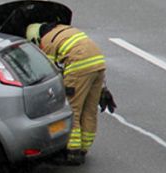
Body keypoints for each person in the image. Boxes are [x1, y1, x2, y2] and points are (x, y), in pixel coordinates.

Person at [27, 22, 107, 165]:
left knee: (72, 109)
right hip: (98, 64)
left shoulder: (47, 41)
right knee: (89, 110)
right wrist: (103, 89)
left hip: (79, 66)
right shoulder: (67, 30)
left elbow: (48, 70)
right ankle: (84, 148)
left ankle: (73, 152)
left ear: (36, 38)